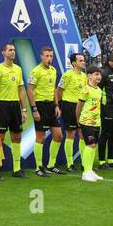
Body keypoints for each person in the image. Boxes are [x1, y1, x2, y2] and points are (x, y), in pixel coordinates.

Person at [0, 42, 30, 180]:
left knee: (17, 137)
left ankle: (17, 169)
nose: (13, 52)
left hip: (15, 107)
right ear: (3, 53)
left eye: (14, 50)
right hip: (2, 106)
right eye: (10, 50)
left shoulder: (18, 69)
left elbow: (21, 90)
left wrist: (23, 109)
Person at [29, 46, 63, 177]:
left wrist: (56, 105)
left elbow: (54, 89)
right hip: (40, 105)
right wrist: (34, 110)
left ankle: (51, 165)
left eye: (51, 56)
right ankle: (38, 167)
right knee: (41, 137)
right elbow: (30, 90)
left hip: (51, 106)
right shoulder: (35, 71)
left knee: (58, 136)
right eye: (47, 56)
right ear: (41, 56)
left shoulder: (53, 70)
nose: (49, 58)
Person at [55, 51, 87, 172]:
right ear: (74, 63)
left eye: (83, 60)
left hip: (81, 107)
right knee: (71, 134)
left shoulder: (84, 76)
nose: (83, 62)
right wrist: (59, 105)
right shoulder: (67, 75)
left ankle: (85, 161)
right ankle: (70, 164)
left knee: (82, 134)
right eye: (80, 60)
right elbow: (59, 90)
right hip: (69, 106)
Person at [77, 66, 104, 183]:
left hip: (96, 122)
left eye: (99, 74)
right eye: (96, 74)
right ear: (89, 76)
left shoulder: (99, 90)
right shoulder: (86, 89)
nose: (99, 77)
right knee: (90, 145)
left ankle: (90, 170)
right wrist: (78, 121)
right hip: (86, 122)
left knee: (94, 145)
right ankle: (86, 172)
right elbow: (79, 106)